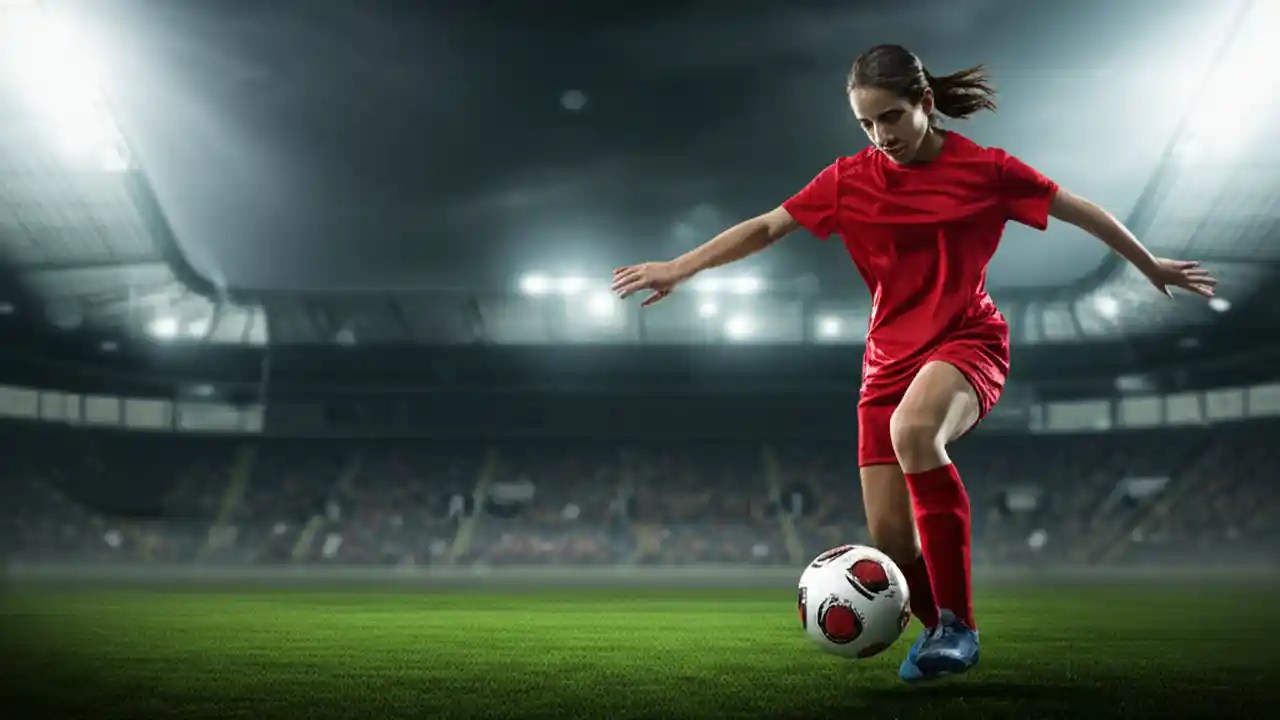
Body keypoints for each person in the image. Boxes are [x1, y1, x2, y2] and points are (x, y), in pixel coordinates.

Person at [610, 44, 1217, 682]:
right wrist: (679, 267)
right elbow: (767, 226)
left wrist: (1150, 265)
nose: (881, 136)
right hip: (884, 368)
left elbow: (1077, 208)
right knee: (894, 550)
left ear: (925, 104)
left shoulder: (986, 171)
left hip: (967, 342)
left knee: (914, 431)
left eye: (891, 117)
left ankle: (958, 624)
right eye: (867, 124)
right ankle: (938, 632)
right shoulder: (848, 180)